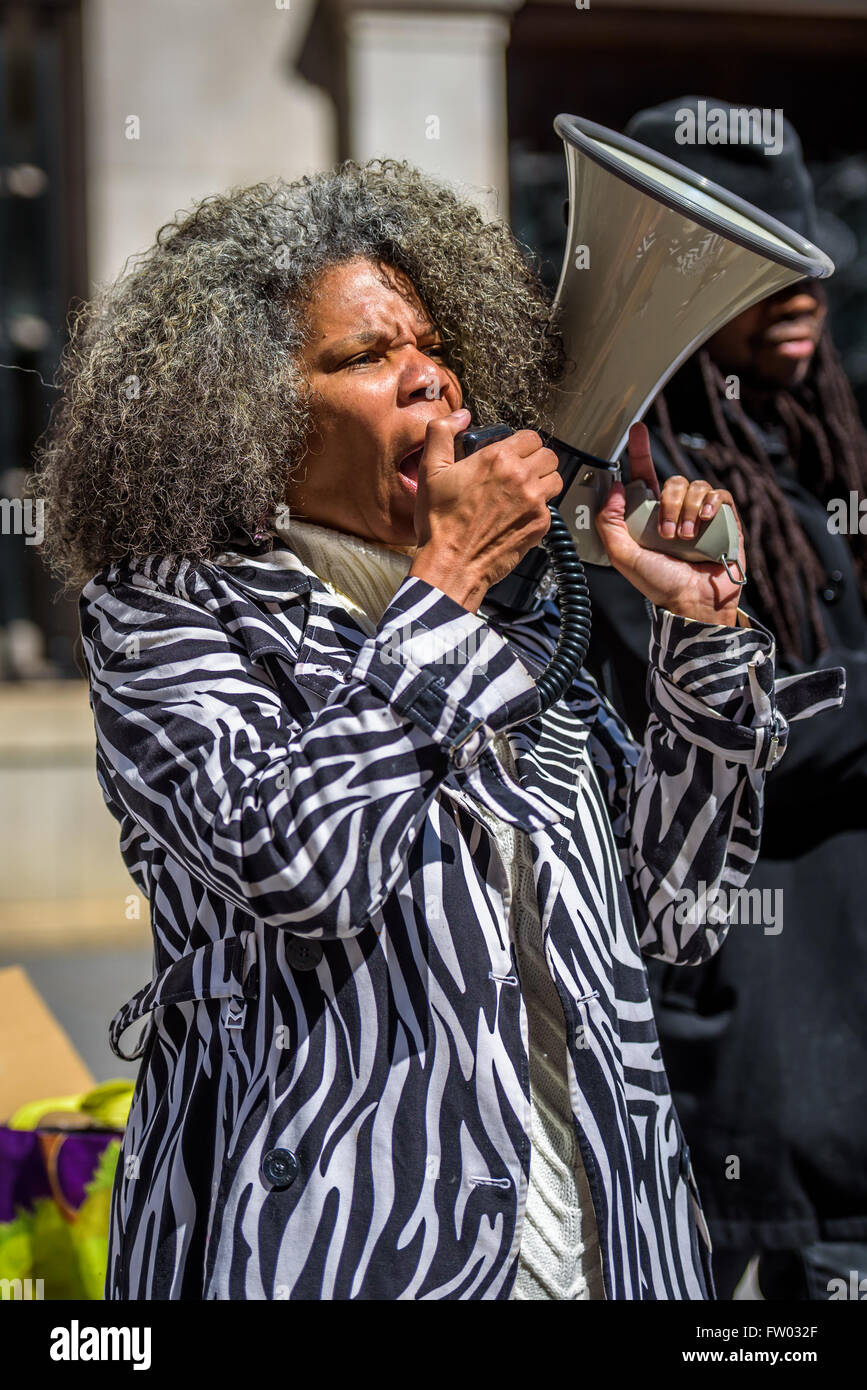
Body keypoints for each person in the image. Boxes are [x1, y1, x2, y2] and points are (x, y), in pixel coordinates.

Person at [32, 159, 842, 1301]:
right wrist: (449, 578)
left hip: (605, 1245)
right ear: (247, 409)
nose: (430, 380)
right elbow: (299, 865)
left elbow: (678, 913)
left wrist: (701, 642)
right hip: (351, 1244)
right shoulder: (169, 612)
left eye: (429, 344)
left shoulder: (510, 615)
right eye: (365, 357)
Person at [583, 97, 867, 1300]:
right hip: (753, 1079)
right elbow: (730, 734)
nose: (807, 296)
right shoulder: (639, 489)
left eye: (815, 266)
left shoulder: (814, 438)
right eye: (767, 272)